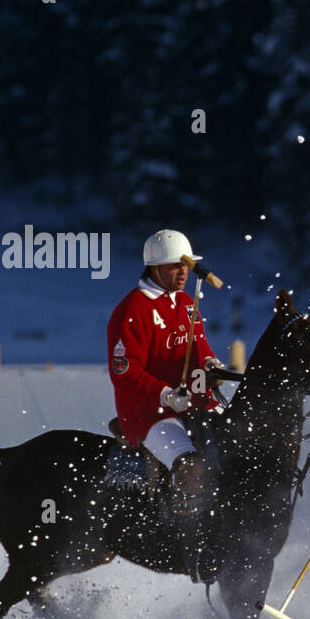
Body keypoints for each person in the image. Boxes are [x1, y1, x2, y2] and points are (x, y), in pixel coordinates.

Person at [107, 229, 225, 584]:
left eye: (187, 265)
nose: (183, 271)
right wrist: (163, 394)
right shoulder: (132, 310)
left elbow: (199, 349)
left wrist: (210, 365)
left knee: (238, 444)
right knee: (190, 466)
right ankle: (193, 552)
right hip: (149, 413)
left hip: (193, 403)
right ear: (155, 268)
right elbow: (124, 372)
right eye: (175, 265)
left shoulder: (186, 302)